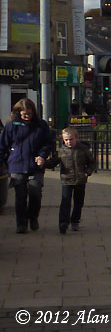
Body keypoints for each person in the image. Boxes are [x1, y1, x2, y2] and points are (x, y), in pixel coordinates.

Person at [0, 98, 56, 233]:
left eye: (29, 113)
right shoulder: (11, 126)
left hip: (35, 165)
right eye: (24, 114)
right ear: (18, 112)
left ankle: (33, 217)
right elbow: (3, 146)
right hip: (17, 164)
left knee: (35, 193)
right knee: (20, 197)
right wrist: (3, 162)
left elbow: (48, 143)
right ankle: (21, 224)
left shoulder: (41, 125)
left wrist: (42, 155)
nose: (27, 116)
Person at [57, 126, 97, 234]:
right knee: (65, 201)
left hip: (80, 179)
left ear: (76, 138)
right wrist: (42, 163)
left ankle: (75, 220)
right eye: (66, 140)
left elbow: (92, 163)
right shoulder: (61, 151)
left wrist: (87, 172)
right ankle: (63, 223)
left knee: (78, 202)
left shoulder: (83, 149)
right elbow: (53, 161)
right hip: (66, 179)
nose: (69, 142)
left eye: (71, 139)